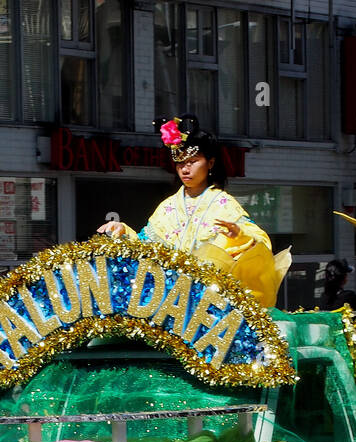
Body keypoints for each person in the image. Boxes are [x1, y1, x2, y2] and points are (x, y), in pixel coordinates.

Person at [96, 114, 283, 305]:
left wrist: (240, 236)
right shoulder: (167, 207)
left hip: (211, 302)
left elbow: (259, 243)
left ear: (210, 163)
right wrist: (123, 231)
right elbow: (146, 245)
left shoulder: (224, 204)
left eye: (192, 161)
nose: (185, 169)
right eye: (180, 163)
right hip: (170, 302)